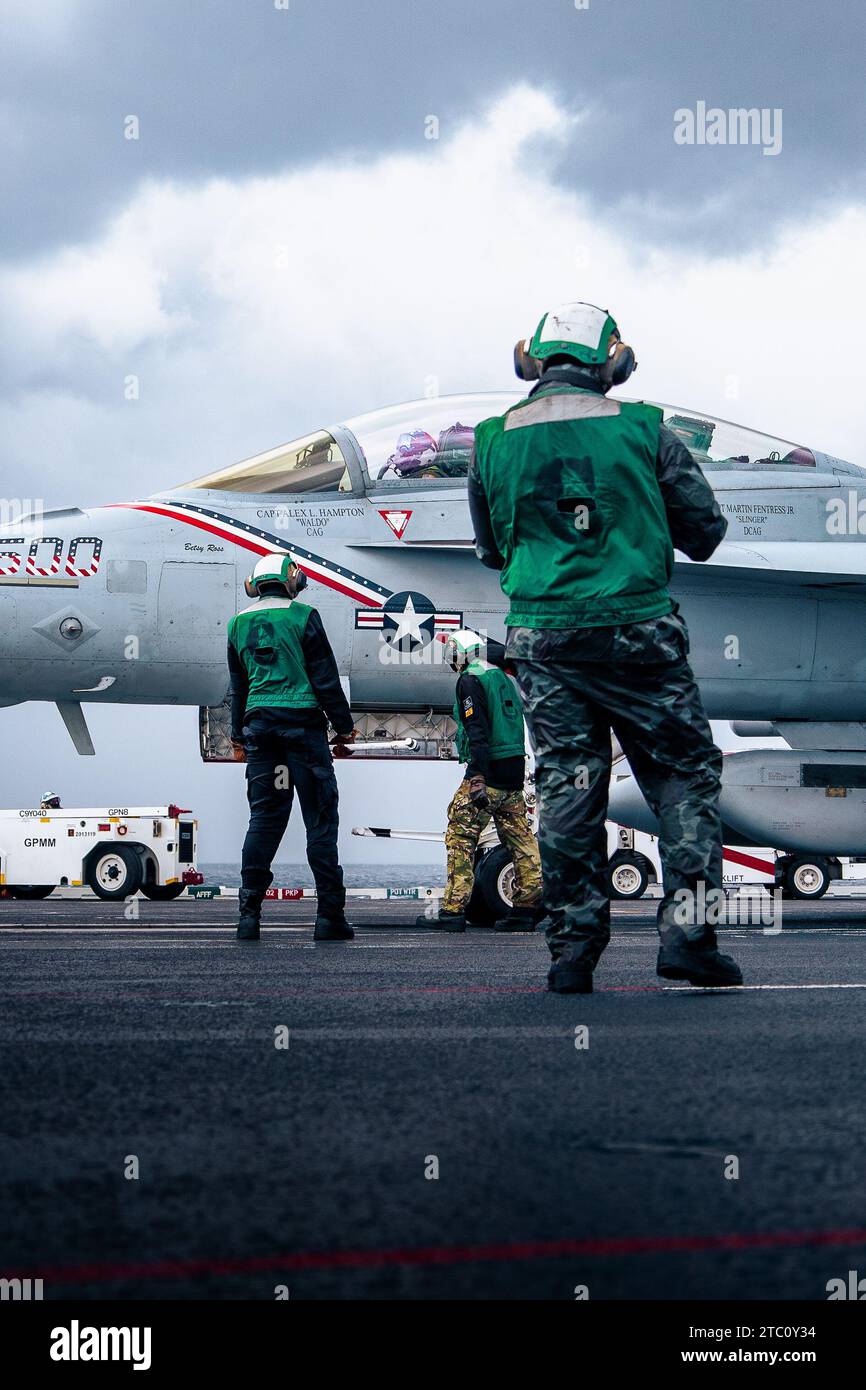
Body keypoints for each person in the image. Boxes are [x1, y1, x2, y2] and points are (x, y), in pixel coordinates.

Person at [468, 300, 743, 994]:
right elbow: (705, 532)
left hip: (543, 640)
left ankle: (571, 955)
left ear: (529, 359)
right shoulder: (648, 429)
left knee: (566, 786)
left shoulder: (493, 438)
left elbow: (491, 548)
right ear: (613, 362)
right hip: (641, 640)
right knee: (683, 780)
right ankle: (689, 939)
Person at [228, 553, 356, 942]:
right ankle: (329, 917)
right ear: (293, 582)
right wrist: (344, 727)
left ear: (254, 584)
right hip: (303, 729)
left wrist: (237, 738)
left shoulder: (237, 624)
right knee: (319, 820)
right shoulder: (304, 617)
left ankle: (248, 918)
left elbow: (239, 689)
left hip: (260, 730)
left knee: (264, 819)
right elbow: (324, 677)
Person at [417, 630, 543, 933]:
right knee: (521, 840)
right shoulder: (505, 678)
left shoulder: (471, 679)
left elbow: (477, 729)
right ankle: (526, 910)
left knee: (460, 835)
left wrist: (476, 776)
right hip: (514, 771)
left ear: (462, 653)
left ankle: (452, 911)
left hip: (488, 771)